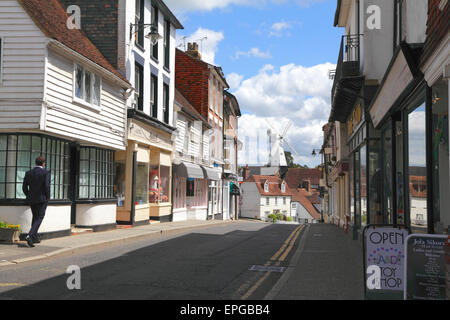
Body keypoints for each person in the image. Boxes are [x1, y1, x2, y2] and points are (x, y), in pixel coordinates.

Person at [22, 156, 51, 248]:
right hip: (42, 199)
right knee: (39, 217)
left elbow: (24, 187)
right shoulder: (46, 172)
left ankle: (34, 237)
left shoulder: (28, 173)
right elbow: (46, 186)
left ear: (36, 163)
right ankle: (30, 236)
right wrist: (48, 196)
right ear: (43, 163)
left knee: (35, 217)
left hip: (31, 199)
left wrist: (28, 195)